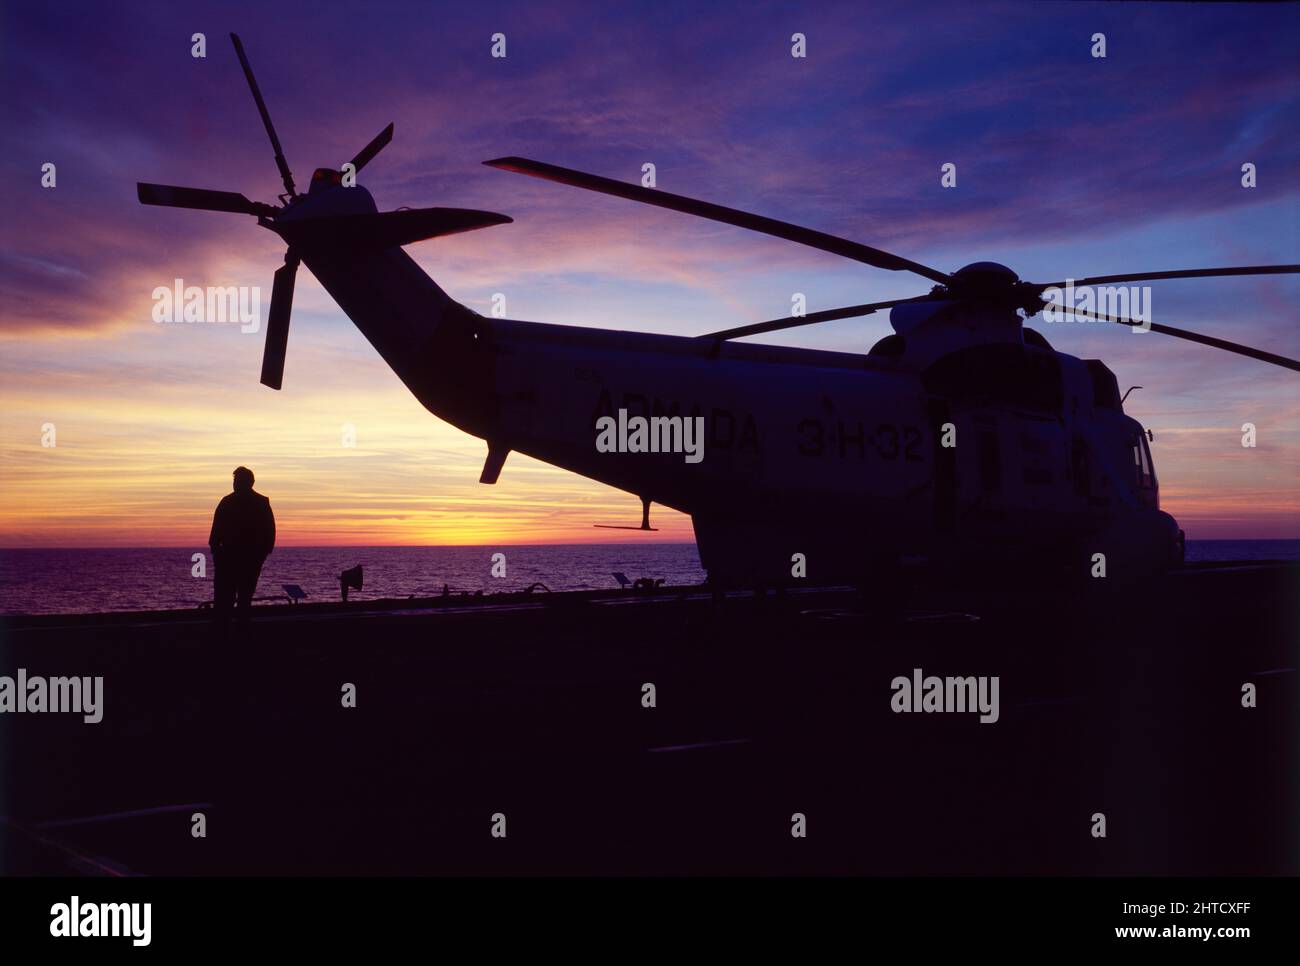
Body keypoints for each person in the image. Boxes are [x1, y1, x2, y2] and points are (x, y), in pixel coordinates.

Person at [209, 466, 276, 628]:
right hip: (229, 560)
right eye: (235, 481)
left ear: (250, 483)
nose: (236, 484)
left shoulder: (260, 502)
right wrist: (217, 554)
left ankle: (236, 635)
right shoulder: (227, 502)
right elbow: (215, 533)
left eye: (239, 481)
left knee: (241, 600)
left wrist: (260, 556)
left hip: (248, 560)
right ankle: (226, 634)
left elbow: (269, 532)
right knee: (228, 601)